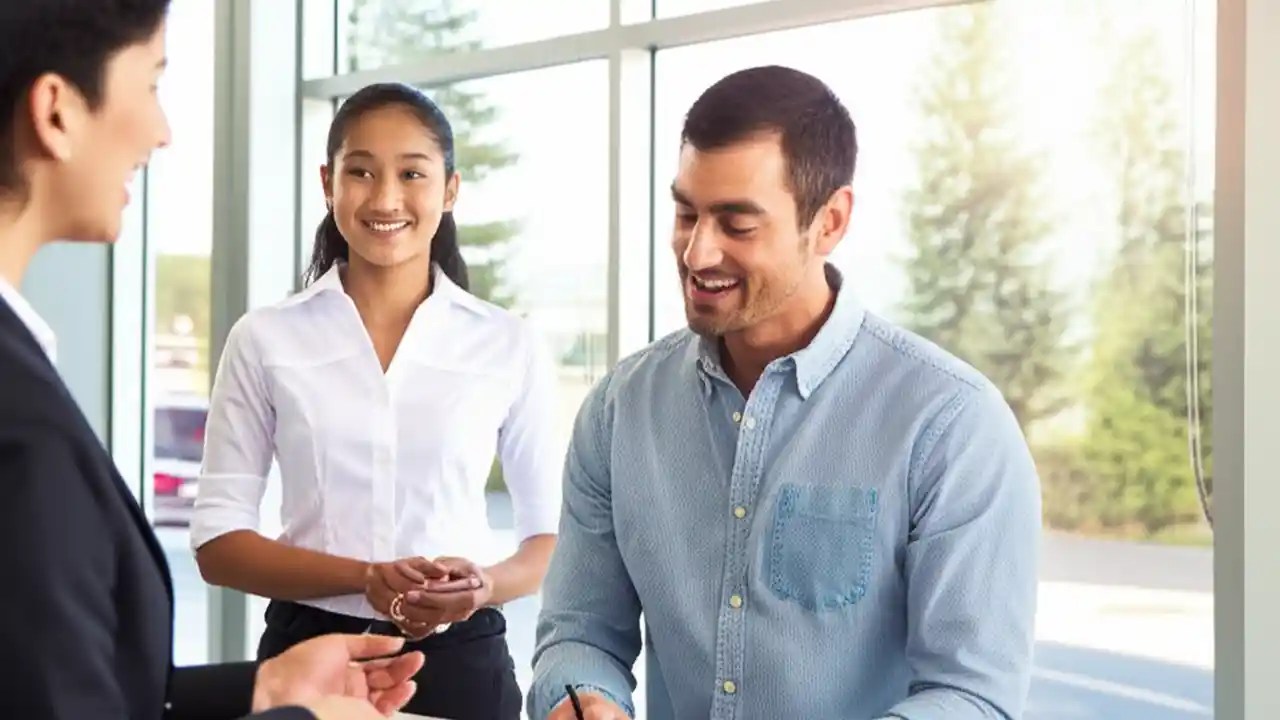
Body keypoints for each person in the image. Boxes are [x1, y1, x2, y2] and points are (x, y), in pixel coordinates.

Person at [528, 65, 1042, 720]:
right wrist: (586, 699)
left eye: (737, 225)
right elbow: (579, 631)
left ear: (829, 220)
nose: (696, 253)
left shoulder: (951, 424)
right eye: (686, 213)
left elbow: (974, 695)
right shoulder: (619, 411)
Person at [0, 2, 425, 719]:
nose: (163, 132)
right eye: (154, 82)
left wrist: (262, 690)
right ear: (56, 111)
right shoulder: (20, 423)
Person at [190, 81, 563, 720]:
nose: (385, 198)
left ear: (449, 189)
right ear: (328, 183)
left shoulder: (507, 344)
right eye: (360, 171)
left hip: (465, 666)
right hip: (307, 660)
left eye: (411, 173)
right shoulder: (265, 339)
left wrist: (483, 586)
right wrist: (365, 577)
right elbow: (218, 542)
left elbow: (551, 538)